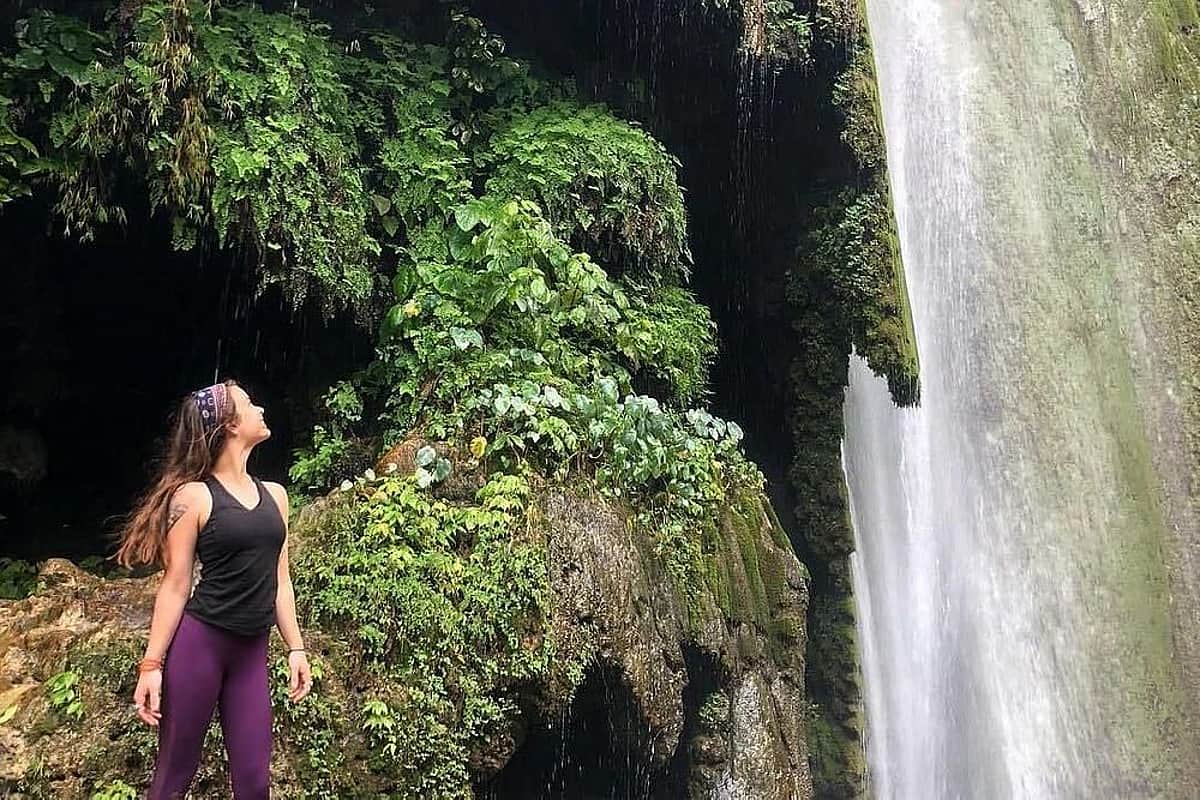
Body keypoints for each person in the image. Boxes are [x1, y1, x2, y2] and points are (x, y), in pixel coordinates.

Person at [114, 380, 312, 799]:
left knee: (255, 783)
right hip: (201, 646)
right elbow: (176, 585)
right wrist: (151, 665)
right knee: (174, 776)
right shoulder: (194, 498)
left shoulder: (276, 497)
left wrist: (296, 647)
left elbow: (281, 580)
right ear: (230, 425)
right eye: (249, 404)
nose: (261, 409)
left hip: (251, 654)